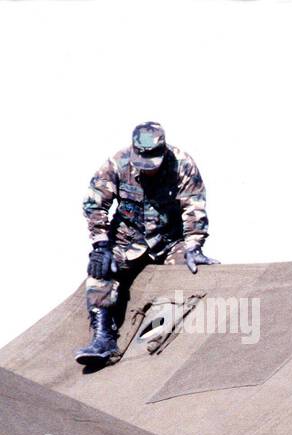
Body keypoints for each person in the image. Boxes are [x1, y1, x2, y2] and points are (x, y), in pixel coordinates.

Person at [77, 122, 217, 366]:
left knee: (196, 275)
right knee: (98, 273)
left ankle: (193, 343)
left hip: (169, 240)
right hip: (125, 239)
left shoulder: (182, 164)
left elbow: (194, 205)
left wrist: (194, 243)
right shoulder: (116, 163)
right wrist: (100, 244)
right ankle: (103, 337)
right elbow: (94, 204)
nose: (148, 169)